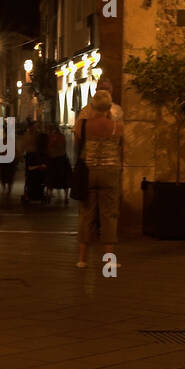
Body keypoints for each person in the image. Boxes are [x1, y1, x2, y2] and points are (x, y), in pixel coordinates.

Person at [73, 85, 123, 268]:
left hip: (89, 171)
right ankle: (109, 259)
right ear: (109, 107)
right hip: (109, 171)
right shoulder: (116, 126)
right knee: (109, 215)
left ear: (93, 106)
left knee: (87, 214)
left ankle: (82, 258)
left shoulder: (83, 125)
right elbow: (120, 145)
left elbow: (77, 142)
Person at [46, 124, 71, 204]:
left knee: (54, 178)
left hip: (57, 159)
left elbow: (58, 146)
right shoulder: (59, 137)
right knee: (60, 179)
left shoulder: (57, 137)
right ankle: (64, 196)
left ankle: (51, 195)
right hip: (59, 159)